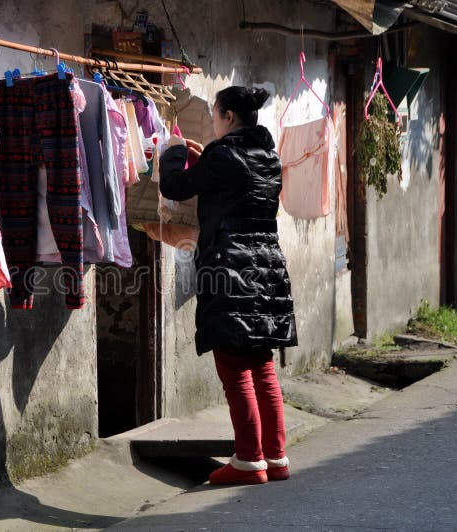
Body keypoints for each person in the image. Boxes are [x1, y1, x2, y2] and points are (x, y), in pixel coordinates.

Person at [159, 86, 298, 485]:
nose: (214, 123)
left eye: (216, 115)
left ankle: (249, 460)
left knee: (234, 365)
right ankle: (275, 456)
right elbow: (232, 183)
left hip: (230, 267)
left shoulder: (223, 155)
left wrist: (172, 151)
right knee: (261, 364)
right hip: (267, 267)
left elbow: (175, 186)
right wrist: (204, 158)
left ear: (229, 117)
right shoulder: (268, 157)